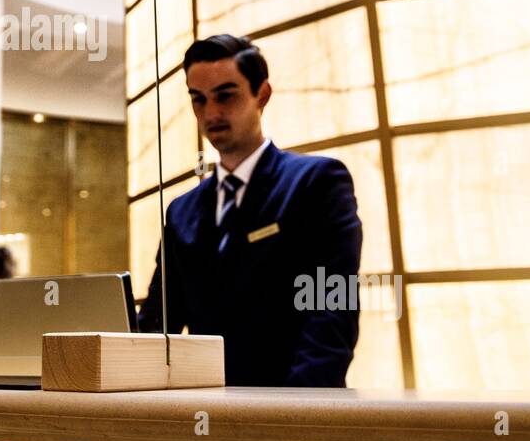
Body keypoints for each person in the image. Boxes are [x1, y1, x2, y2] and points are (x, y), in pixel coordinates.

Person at [136, 34, 362, 387]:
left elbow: (333, 310)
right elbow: (156, 325)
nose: (211, 113)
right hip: (207, 420)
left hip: (292, 416)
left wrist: (289, 418)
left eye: (225, 95)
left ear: (262, 95)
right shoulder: (181, 212)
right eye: (199, 100)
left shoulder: (316, 183)